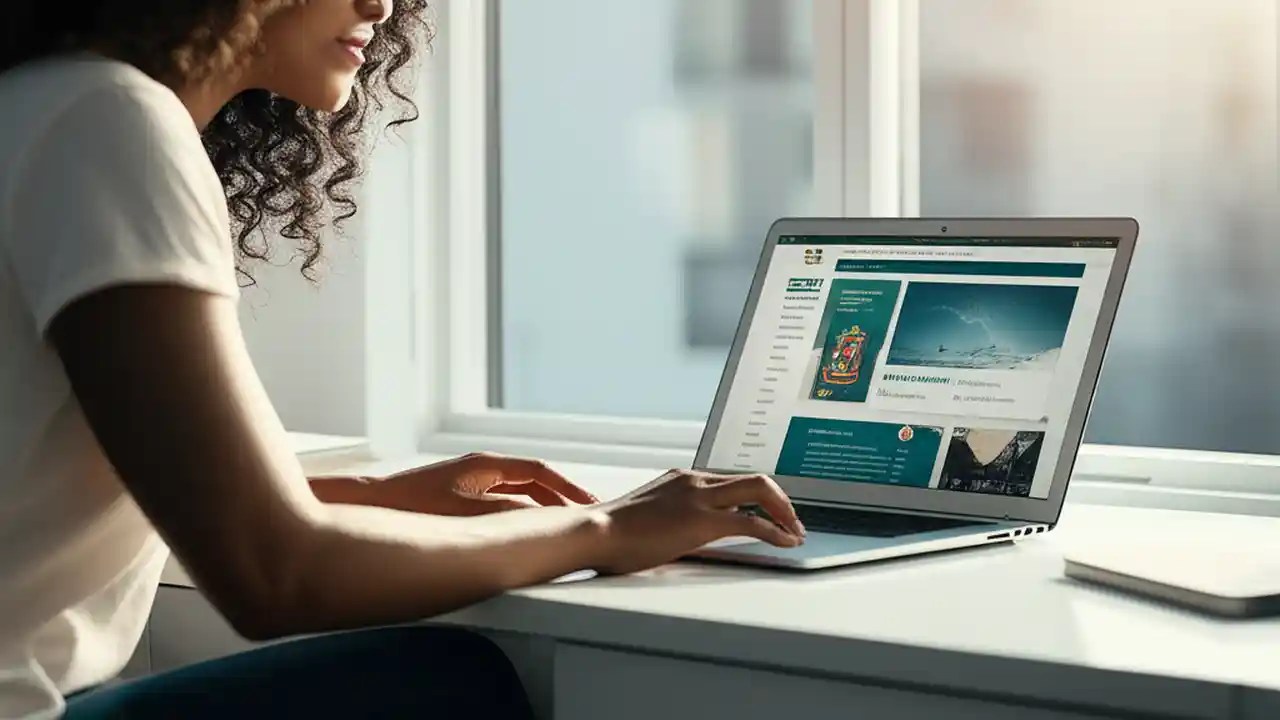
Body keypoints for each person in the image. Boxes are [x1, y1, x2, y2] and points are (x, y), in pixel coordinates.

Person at [0, 1, 806, 717]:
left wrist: (377, 494)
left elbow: (105, 473)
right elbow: (274, 574)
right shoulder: (111, 122)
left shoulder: (47, 101)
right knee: (448, 681)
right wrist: (605, 528)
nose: (381, 5)